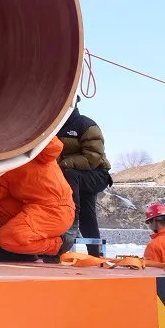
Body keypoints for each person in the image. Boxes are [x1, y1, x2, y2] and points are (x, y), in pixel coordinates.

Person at [0, 137, 76, 262]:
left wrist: (27, 129)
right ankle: (20, 252)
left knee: (5, 238)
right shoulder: (4, 164)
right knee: (0, 203)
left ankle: (58, 245)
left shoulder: (37, 150)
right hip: (32, 207)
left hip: (55, 209)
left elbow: (54, 148)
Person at [57, 99, 113, 257]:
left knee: (70, 175)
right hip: (76, 176)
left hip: (97, 173)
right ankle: (95, 255)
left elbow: (93, 157)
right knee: (87, 215)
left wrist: (65, 164)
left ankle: (71, 223)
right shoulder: (55, 128)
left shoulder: (86, 125)